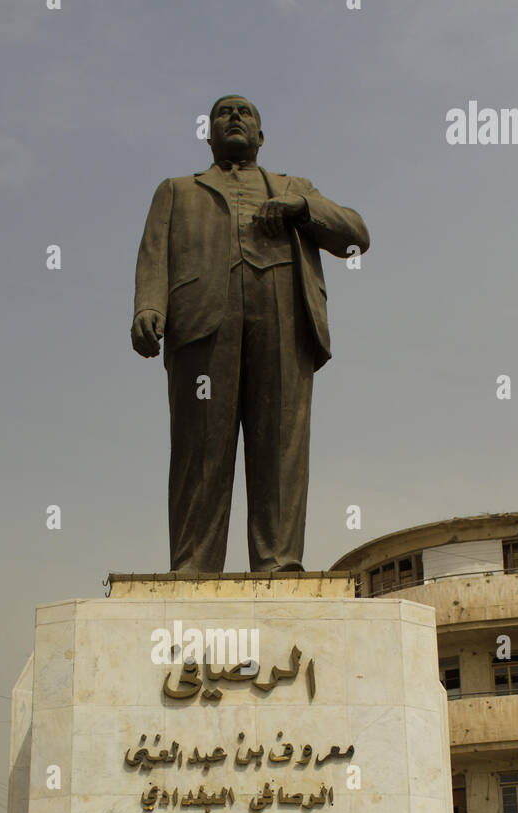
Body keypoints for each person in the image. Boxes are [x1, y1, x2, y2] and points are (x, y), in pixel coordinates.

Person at [132, 94, 369, 573]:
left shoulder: (293, 186)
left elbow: (355, 235)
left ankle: (278, 562)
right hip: (201, 324)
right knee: (200, 446)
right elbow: (154, 254)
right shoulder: (177, 190)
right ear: (208, 134)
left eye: (245, 113)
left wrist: (302, 207)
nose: (235, 117)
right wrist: (149, 306)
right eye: (224, 112)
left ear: (261, 137)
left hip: (283, 314)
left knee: (281, 444)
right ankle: (194, 565)